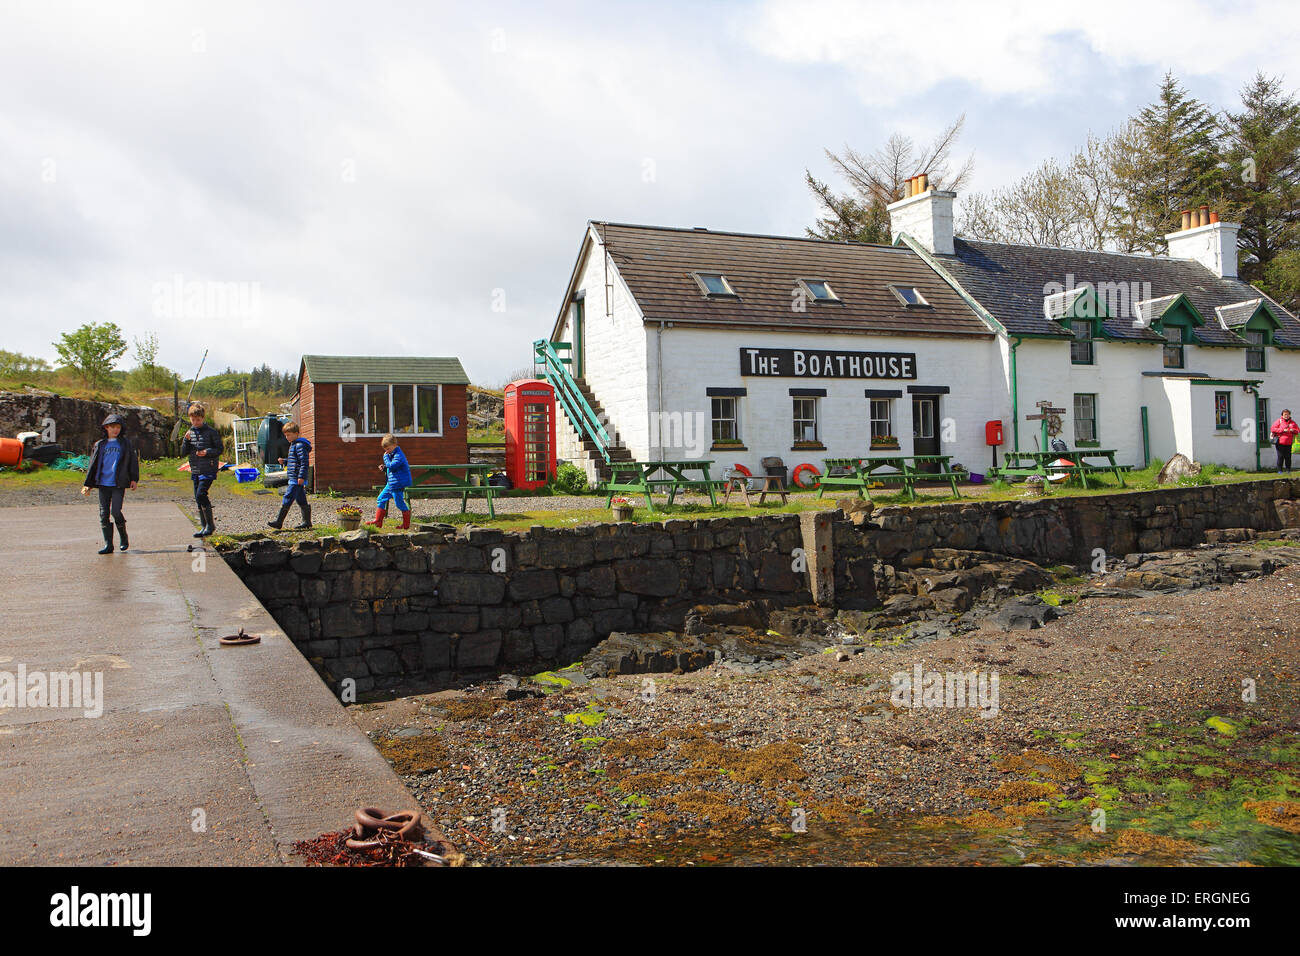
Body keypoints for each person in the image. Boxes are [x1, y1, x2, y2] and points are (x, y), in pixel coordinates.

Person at [81, 413, 139, 554]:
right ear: (106, 427)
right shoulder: (99, 445)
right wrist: (88, 483)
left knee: (116, 511)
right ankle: (108, 545)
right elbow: (92, 465)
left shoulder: (125, 444)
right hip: (103, 483)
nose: (115, 430)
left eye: (118, 427)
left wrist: (134, 479)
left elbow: (132, 462)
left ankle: (123, 537)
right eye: (112, 427)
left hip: (118, 483)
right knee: (103, 513)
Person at [181, 402, 223, 537]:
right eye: (193, 420)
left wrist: (207, 452)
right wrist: (186, 440)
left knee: (201, 494)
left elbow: (219, 449)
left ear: (203, 418)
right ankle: (204, 526)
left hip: (209, 468)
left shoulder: (211, 432)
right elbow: (183, 452)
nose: (195, 422)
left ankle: (210, 526)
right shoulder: (190, 432)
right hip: (195, 469)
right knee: (197, 497)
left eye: (198, 420)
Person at [268, 422, 312, 530]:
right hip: (295, 477)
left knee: (288, 497)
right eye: (285, 435)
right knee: (301, 500)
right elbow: (295, 461)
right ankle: (307, 522)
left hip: (296, 478)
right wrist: (285, 461)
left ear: (296, 433)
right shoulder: (294, 445)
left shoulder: (299, 445)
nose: (286, 437)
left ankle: (279, 522)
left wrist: (301, 477)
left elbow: (304, 462)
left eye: (288, 435)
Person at [367, 433, 412, 529]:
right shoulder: (392, 454)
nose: (386, 451)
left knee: (399, 503)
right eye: (385, 450)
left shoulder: (399, 455)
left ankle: (406, 525)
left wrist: (385, 458)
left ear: (395, 445)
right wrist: (384, 468)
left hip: (398, 484)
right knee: (381, 498)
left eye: (388, 449)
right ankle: (378, 521)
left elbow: (392, 465)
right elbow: (390, 468)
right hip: (391, 483)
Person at [1271, 409, 1299, 473]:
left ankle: (1288, 470)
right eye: (1285, 414)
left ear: (1289, 415)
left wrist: (1293, 430)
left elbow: (1297, 430)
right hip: (1280, 442)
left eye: (1288, 414)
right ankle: (1280, 470)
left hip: (1289, 443)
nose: (1286, 416)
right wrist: (1283, 430)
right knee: (1280, 456)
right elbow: (1273, 429)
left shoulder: (1293, 422)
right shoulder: (1279, 421)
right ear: (1282, 415)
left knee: (1288, 457)